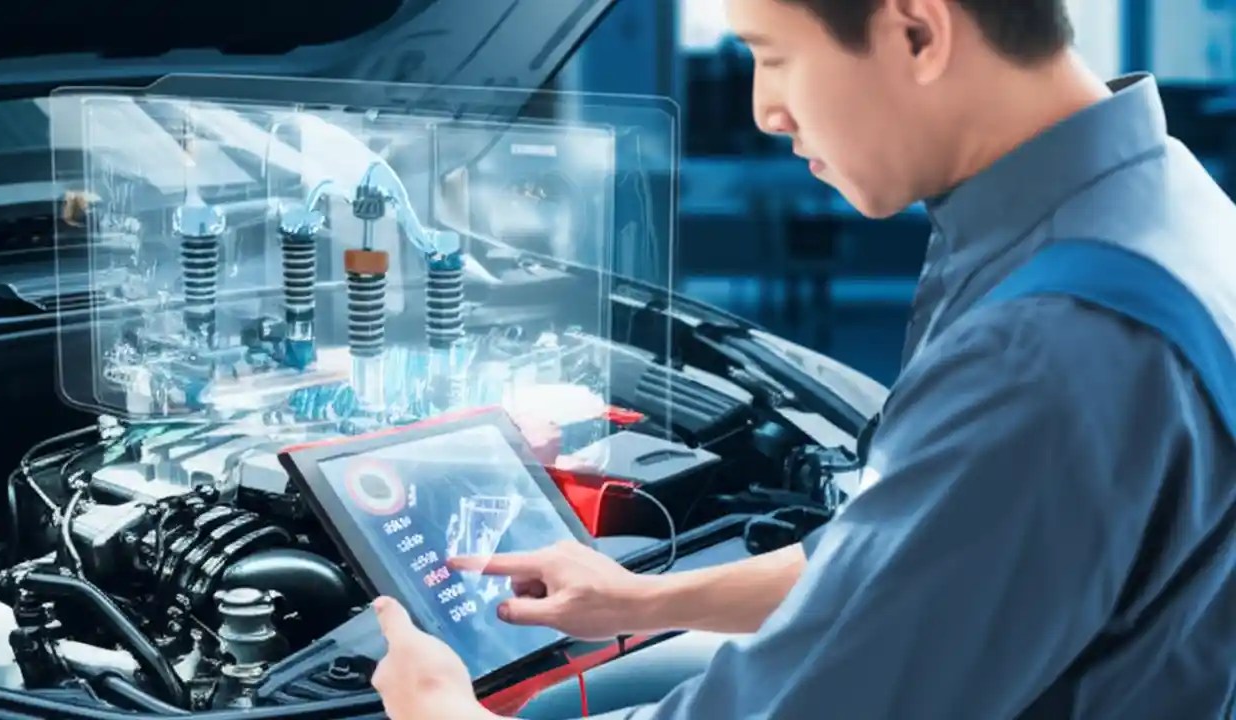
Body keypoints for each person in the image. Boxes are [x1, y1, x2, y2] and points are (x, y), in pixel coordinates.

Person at [369, 0, 1236, 718]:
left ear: (917, 31)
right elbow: (917, 557)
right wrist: (643, 601)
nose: (763, 110)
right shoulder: (1154, 202)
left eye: (773, 55)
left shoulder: (1051, 346)